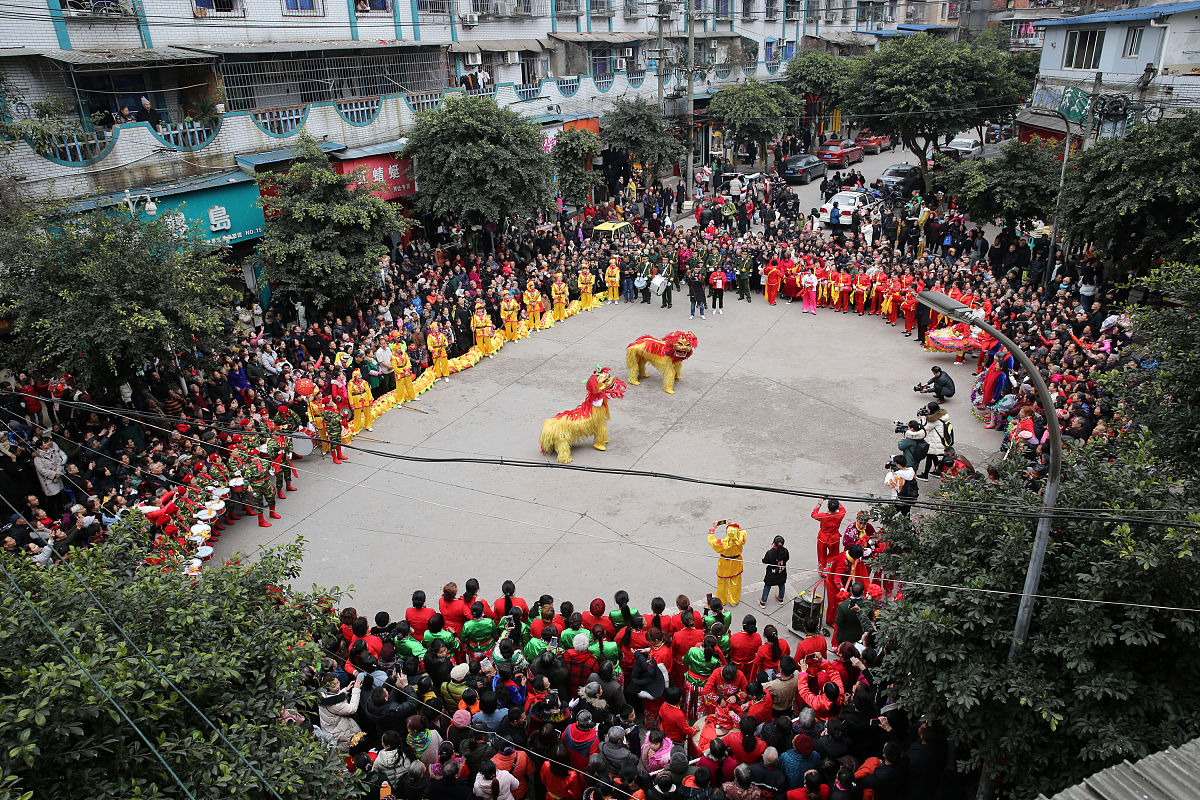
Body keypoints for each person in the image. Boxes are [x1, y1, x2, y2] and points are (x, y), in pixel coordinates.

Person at [708, 521, 746, 607]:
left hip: (724, 563)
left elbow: (711, 540)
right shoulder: (741, 540)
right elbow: (743, 531)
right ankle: (734, 601)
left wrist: (713, 528)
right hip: (736, 563)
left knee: (722, 582)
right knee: (735, 582)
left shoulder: (722, 543)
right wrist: (731, 523)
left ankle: (721, 601)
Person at [811, 499, 845, 568]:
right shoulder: (840, 515)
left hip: (823, 538)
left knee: (821, 555)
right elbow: (843, 509)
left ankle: (822, 569)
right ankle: (829, 570)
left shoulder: (823, 516)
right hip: (834, 539)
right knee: (833, 555)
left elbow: (813, 515)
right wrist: (836, 500)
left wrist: (819, 504)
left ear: (827, 506)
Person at [833, 581, 868, 646]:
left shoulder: (843, 606)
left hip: (844, 638)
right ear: (863, 592)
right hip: (859, 636)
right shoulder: (867, 604)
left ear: (851, 589)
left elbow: (838, 622)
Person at [759, 536, 789, 608]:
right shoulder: (785, 551)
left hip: (771, 574)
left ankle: (763, 602)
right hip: (781, 572)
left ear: (774, 543)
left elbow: (765, 561)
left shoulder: (770, 552)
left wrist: (763, 560)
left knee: (767, 586)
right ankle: (780, 599)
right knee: (781, 584)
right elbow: (787, 559)